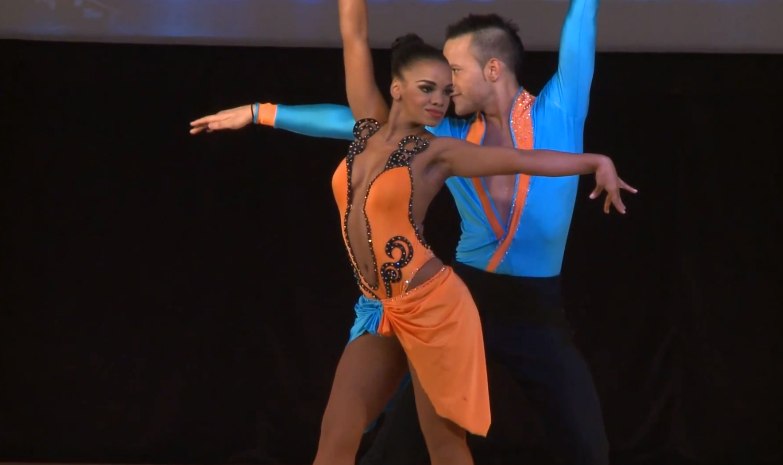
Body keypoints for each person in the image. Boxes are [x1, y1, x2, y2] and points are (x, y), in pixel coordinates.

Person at [191, 1, 620, 463]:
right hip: (457, 291)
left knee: (584, 446)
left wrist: (596, 161)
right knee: (389, 442)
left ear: (493, 68)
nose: (446, 89)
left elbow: (580, 22)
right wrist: (261, 111)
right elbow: (352, 114)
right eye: (434, 82)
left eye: (453, 74)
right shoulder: (441, 132)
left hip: (530, 309)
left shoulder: (558, 109)